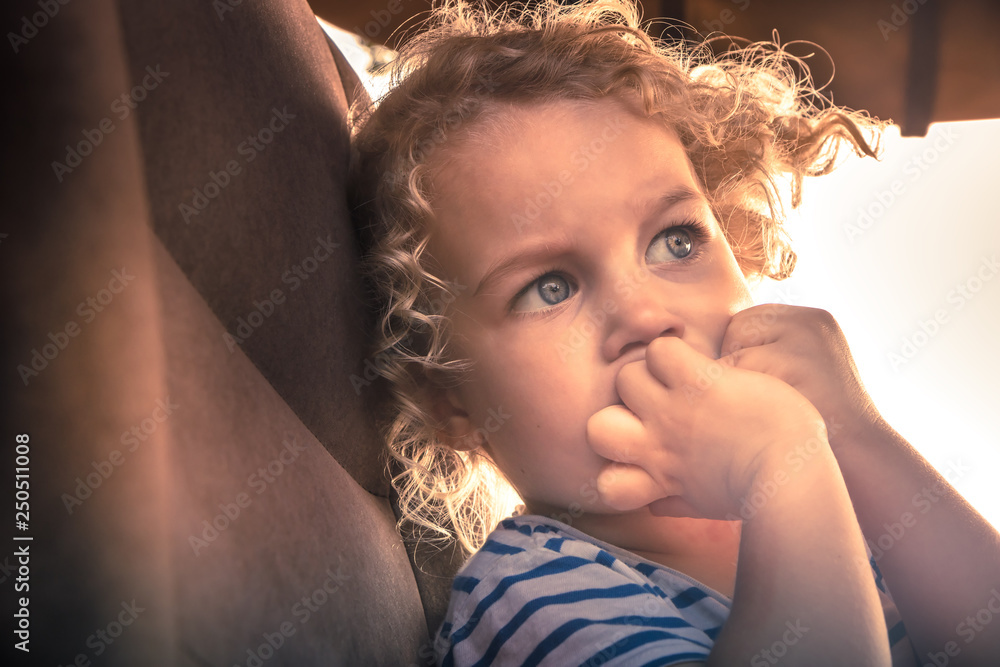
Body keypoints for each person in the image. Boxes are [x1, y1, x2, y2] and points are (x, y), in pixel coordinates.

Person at [349, 1, 1000, 664]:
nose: (644, 313)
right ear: (450, 403)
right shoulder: (532, 594)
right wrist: (783, 465)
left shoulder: (852, 516)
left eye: (675, 241)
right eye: (551, 287)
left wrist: (861, 436)